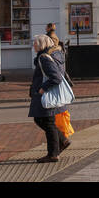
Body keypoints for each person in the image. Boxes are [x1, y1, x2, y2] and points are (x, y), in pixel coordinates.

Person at [29, 34, 69, 162]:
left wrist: (43, 88)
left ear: (41, 44)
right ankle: (62, 141)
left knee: (46, 122)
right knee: (45, 121)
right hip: (51, 95)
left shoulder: (45, 58)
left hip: (47, 95)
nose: (33, 45)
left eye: (35, 43)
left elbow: (55, 77)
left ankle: (53, 153)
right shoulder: (55, 55)